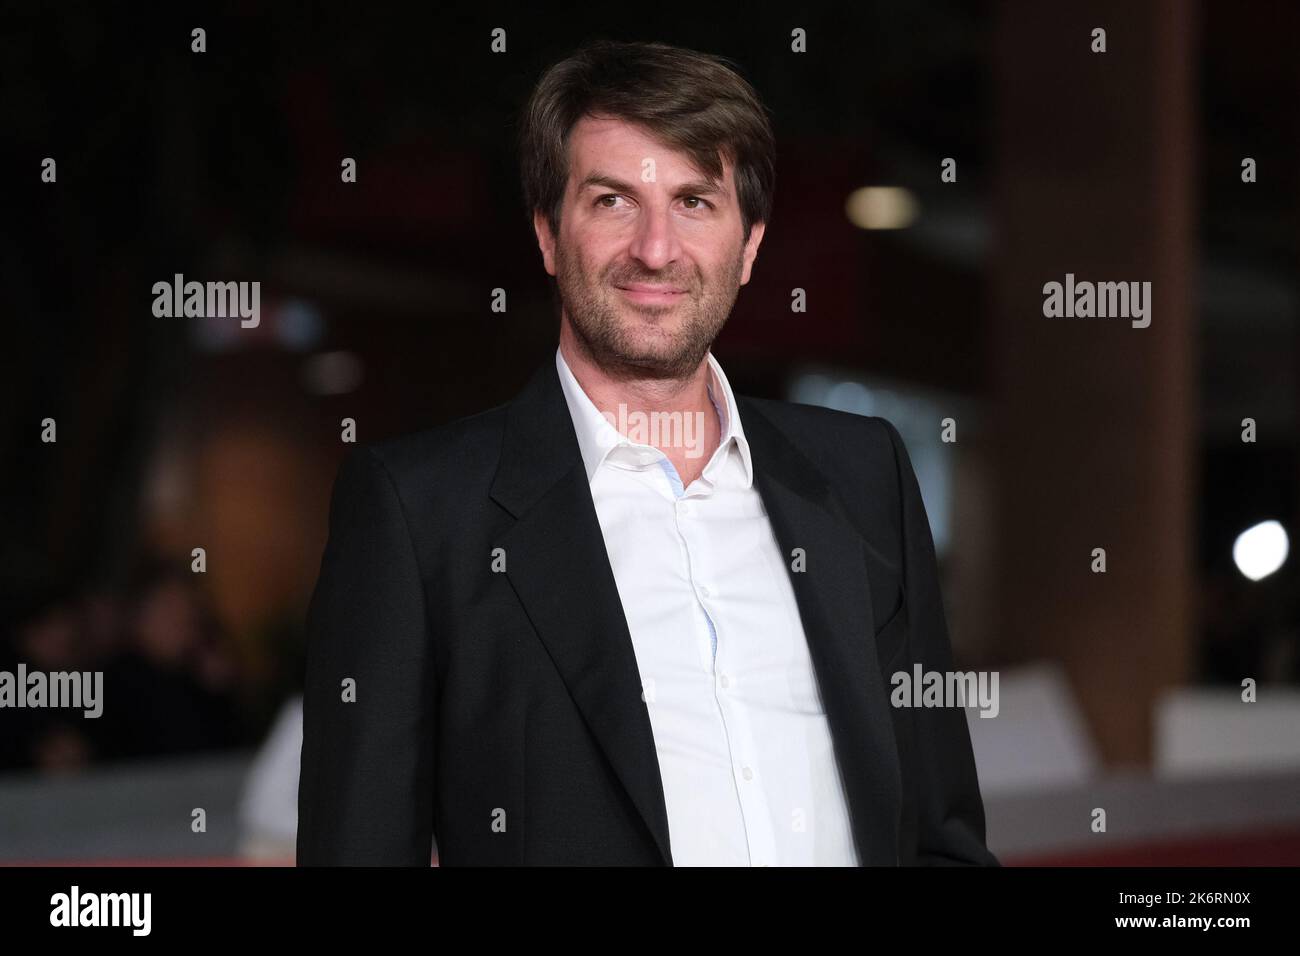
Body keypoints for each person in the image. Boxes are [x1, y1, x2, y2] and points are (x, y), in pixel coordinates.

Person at [297, 39, 997, 866]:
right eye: (613, 201)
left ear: (751, 245)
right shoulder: (420, 514)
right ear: (550, 235)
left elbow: (942, 835)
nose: (657, 249)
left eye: (696, 202)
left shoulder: (863, 475)